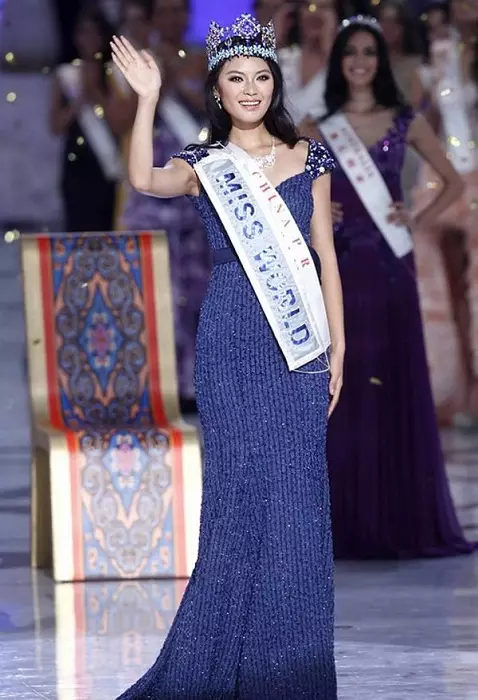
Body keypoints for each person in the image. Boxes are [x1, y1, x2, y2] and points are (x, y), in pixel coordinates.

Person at [111, 11, 344, 698]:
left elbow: (327, 260)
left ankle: (293, 670)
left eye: (261, 77)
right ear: (218, 88)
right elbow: (142, 182)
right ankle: (216, 666)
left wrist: (336, 351)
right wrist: (148, 99)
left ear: (277, 83)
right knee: (239, 501)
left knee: (299, 503)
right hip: (232, 345)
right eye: (236, 78)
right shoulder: (205, 163)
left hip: (298, 346)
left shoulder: (311, 158)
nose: (250, 89)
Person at [311, 16, 474, 558]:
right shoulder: (318, 126)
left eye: (369, 53)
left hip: (391, 268)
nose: (360, 61)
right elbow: (276, 183)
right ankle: (346, 522)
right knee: (345, 386)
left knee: (394, 386)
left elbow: (451, 179)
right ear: (339, 62)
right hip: (341, 270)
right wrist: (311, 208)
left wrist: (417, 216)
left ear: (380, 61)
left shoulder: (405, 119)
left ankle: (400, 520)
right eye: (351, 53)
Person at [120, 0, 211, 407]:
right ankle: (153, 385)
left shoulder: (204, 59)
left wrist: (178, 86)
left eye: (180, 10)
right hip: (152, 197)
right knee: (151, 293)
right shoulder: (135, 62)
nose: (173, 19)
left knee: (198, 292)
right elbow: (117, 121)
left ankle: (196, 383)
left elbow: (217, 118)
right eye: (165, 11)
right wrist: (148, 93)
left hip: (195, 191)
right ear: (153, 17)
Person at [411, 0, 478, 427]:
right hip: (444, 176)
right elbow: (424, 122)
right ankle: (456, 389)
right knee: (445, 287)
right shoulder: (440, 55)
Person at [50, 5, 124, 232]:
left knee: (106, 228)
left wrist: (98, 95)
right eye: (84, 33)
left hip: (107, 164)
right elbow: (55, 126)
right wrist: (79, 100)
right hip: (76, 164)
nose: (89, 39)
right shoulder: (65, 75)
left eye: (94, 33)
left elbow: (119, 123)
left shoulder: (113, 74)